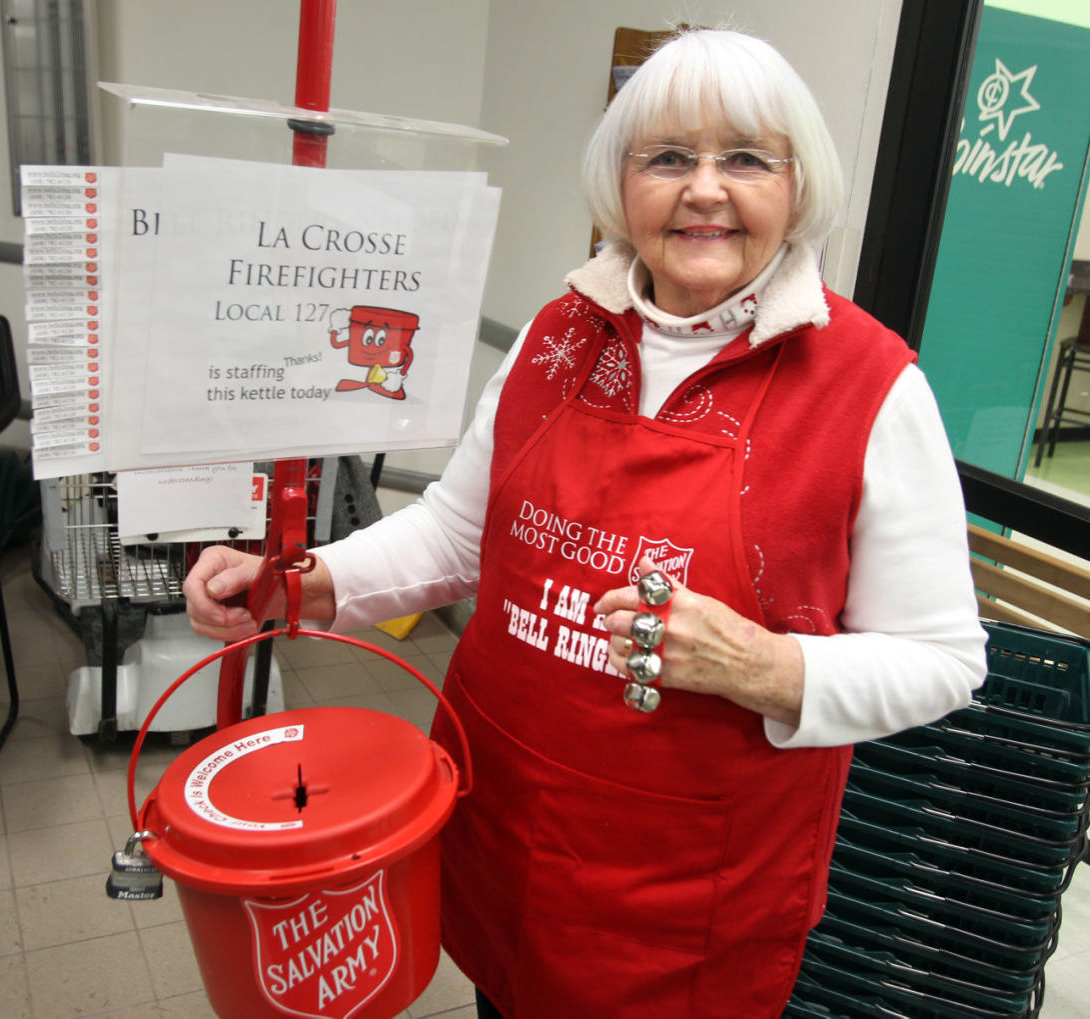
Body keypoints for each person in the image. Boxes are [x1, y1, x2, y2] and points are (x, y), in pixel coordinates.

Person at [184, 27, 987, 1018]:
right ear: (619, 184)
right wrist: (306, 583)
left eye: (743, 158)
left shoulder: (868, 387)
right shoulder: (557, 336)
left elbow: (946, 656)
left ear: (799, 183)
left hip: (687, 895)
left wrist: (769, 668)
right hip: (504, 826)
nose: (703, 189)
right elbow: (452, 532)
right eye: (666, 158)